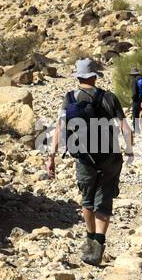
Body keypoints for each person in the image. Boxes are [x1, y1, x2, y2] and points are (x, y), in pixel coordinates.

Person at [47, 58, 134, 266]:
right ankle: (99, 245)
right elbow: (126, 128)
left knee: (87, 200)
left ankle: (89, 238)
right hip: (110, 155)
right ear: (95, 76)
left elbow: (59, 128)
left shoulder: (69, 98)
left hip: (84, 156)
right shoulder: (109, 97)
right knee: (103, 200)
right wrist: (130, 150)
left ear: (78, 77)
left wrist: (51, 156)